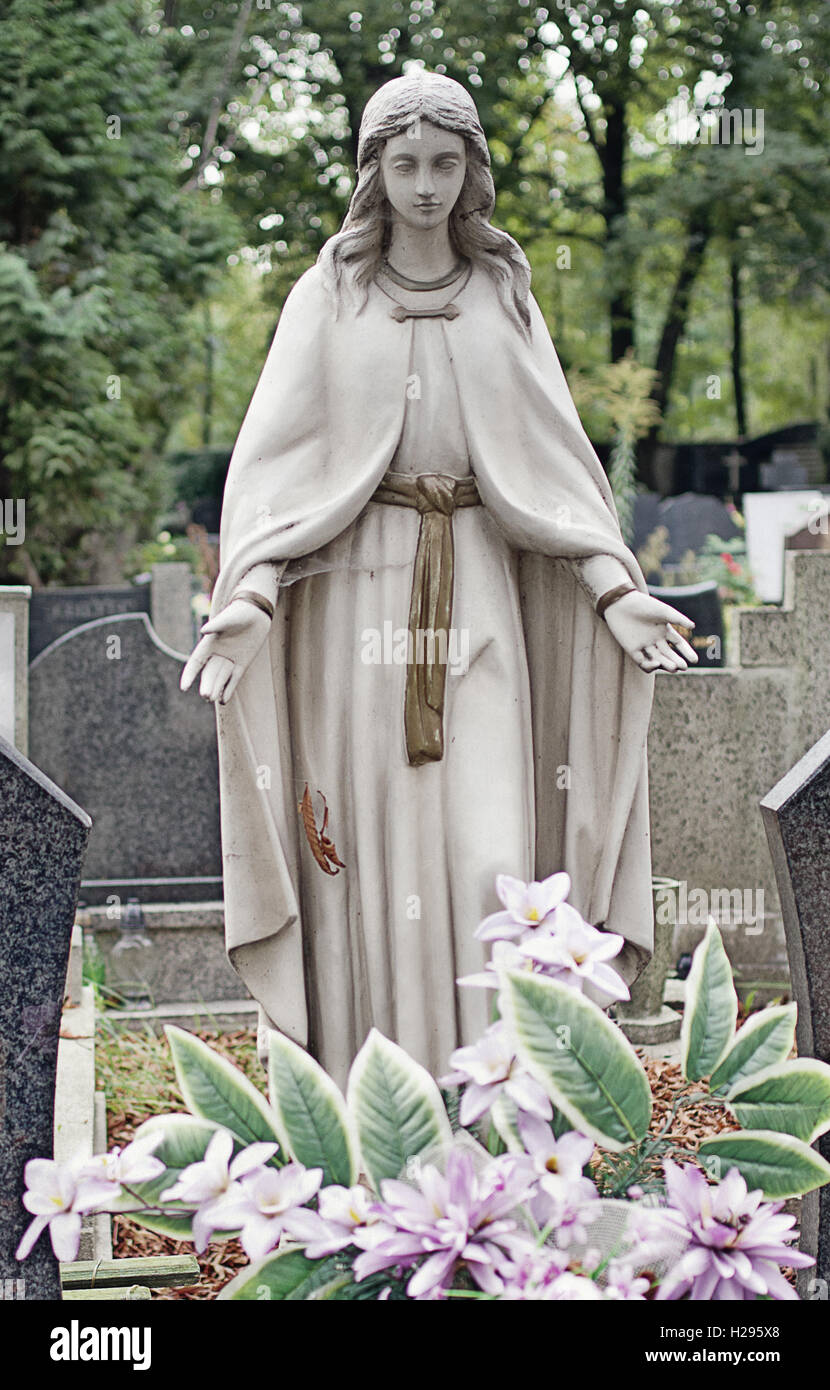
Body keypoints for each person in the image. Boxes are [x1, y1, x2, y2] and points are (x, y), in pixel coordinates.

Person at [181, 71, 697, 1089]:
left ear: (471, 173)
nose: (423, 185)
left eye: (443, 163)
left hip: (481, 603)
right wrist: (245, 599)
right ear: (373, 171)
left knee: (491, 859)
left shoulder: (503, 296)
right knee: (363, 867)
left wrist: (610, 585)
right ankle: (380, 1129)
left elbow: (552, 467)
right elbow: (277, 472)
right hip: (350, 603)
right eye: (404, 163)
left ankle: (502, 1129)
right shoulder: (329, 298)